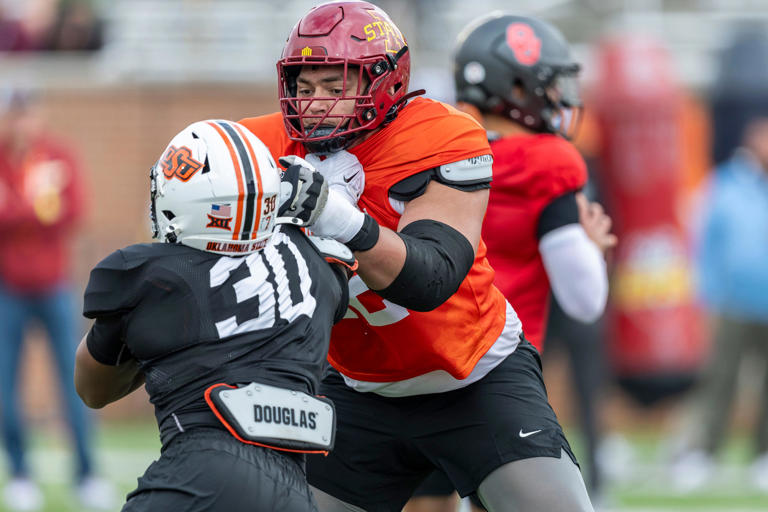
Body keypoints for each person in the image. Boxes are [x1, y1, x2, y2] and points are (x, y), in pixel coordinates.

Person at [240, 2, 595, 510]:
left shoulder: (439, 136)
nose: (315, 102)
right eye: (304, 85)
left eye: (335, 87)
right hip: (357, 389)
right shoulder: (261, 146)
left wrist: (338, 218)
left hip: (474, 378)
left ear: (384, 82)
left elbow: (429, 278)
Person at [74, 119, 355, 511]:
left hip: (199, 471)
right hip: (294, 491)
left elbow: (92, 387)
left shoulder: (153, 277)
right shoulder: (318, 267)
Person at [405, 14, 615, 512]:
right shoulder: (547, 161)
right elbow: (584, 300)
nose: (556, 98)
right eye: (544, 85)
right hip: (497, 378)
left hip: (411, 364)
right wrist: (594, 249)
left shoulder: (427, 145)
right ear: (510, 86)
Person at [0, 88, 113, 511]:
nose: (23, 123)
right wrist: (31, 209)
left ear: (40, 116)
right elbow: (36, 214)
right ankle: (21, 474)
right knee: (6, 388)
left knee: (75, 382)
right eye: (16, 115)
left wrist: (17, 208)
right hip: (8, 289)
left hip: (52, 286)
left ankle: (86, 474)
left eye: (29, 114)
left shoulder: (57, 156)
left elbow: (69, 212)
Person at [669, 115, 768, 492]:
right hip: (732, 302)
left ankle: (763, 454)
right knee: (719, 381)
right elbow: (701, 240)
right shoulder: (725, 183)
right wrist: (704, 292)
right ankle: (702, 453)